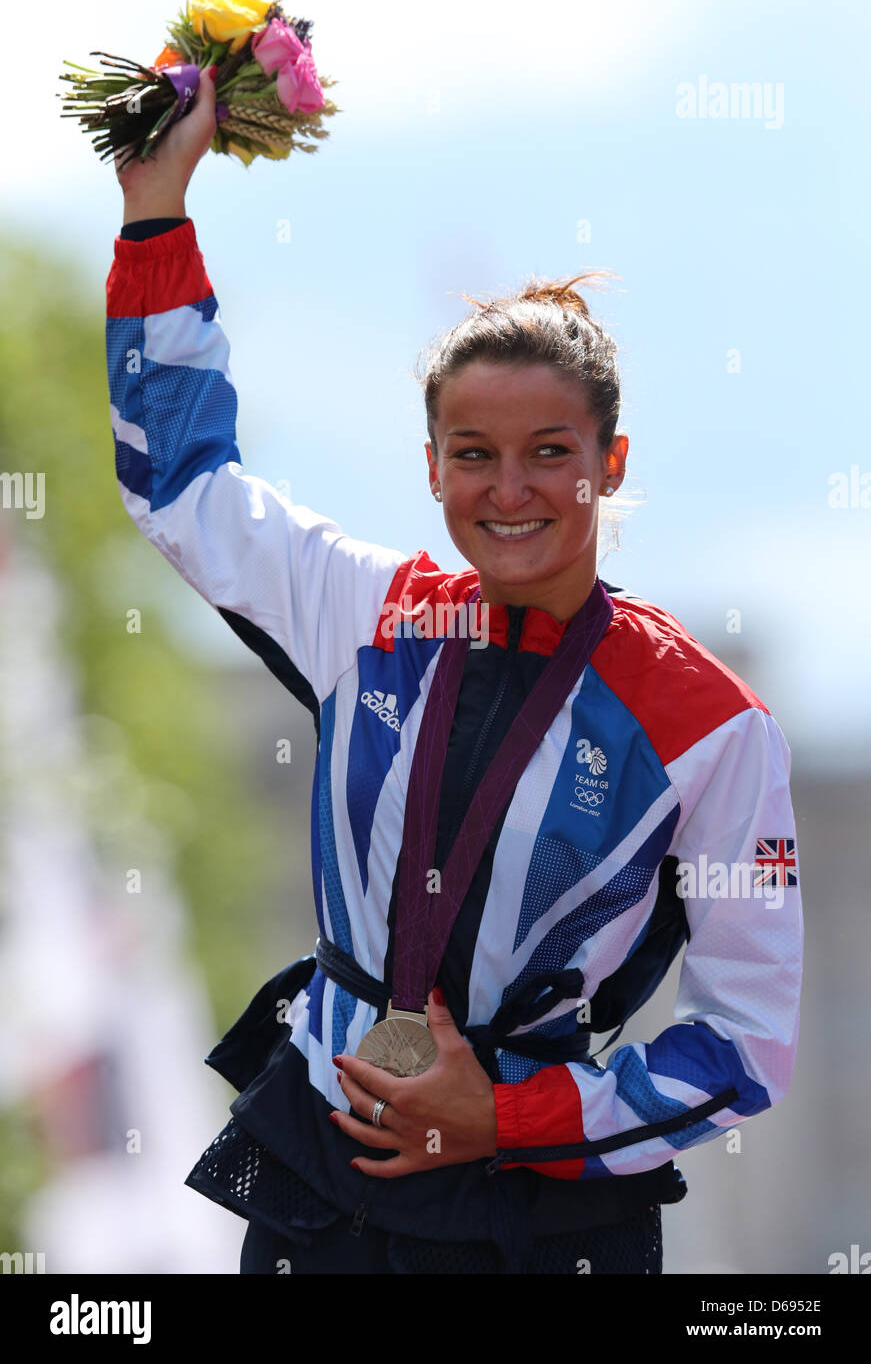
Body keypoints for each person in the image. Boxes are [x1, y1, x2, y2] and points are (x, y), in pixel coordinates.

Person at [106, 70, 804, 1275]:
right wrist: (156, 210)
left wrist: (508, 1118)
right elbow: (181, 485)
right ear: (431, 465)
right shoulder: (366, 612)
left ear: (609, 459)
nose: (511, 489)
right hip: (320, 1177)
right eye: (474, 454)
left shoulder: (713, 727)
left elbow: (747, 1044)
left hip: (539, 1222)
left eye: (550, 453)